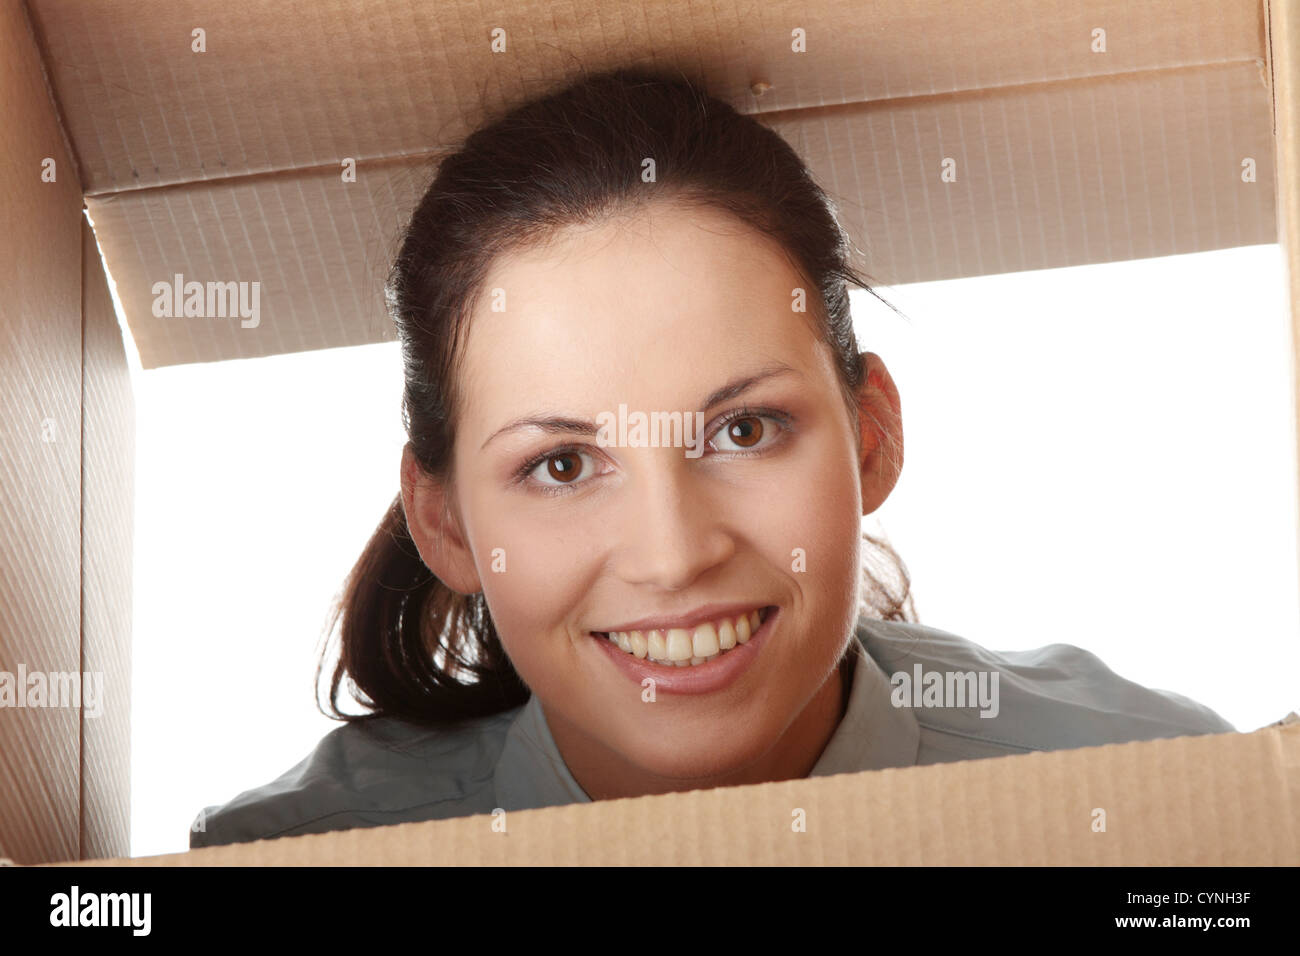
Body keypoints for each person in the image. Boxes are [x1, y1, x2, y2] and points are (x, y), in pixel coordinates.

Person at [190, 67, 1234, 849]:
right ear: (446, 522)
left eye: (742, 430)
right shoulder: (290, 858)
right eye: (560, 463)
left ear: (871, 433)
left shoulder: (1174, 798)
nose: (672, 553)